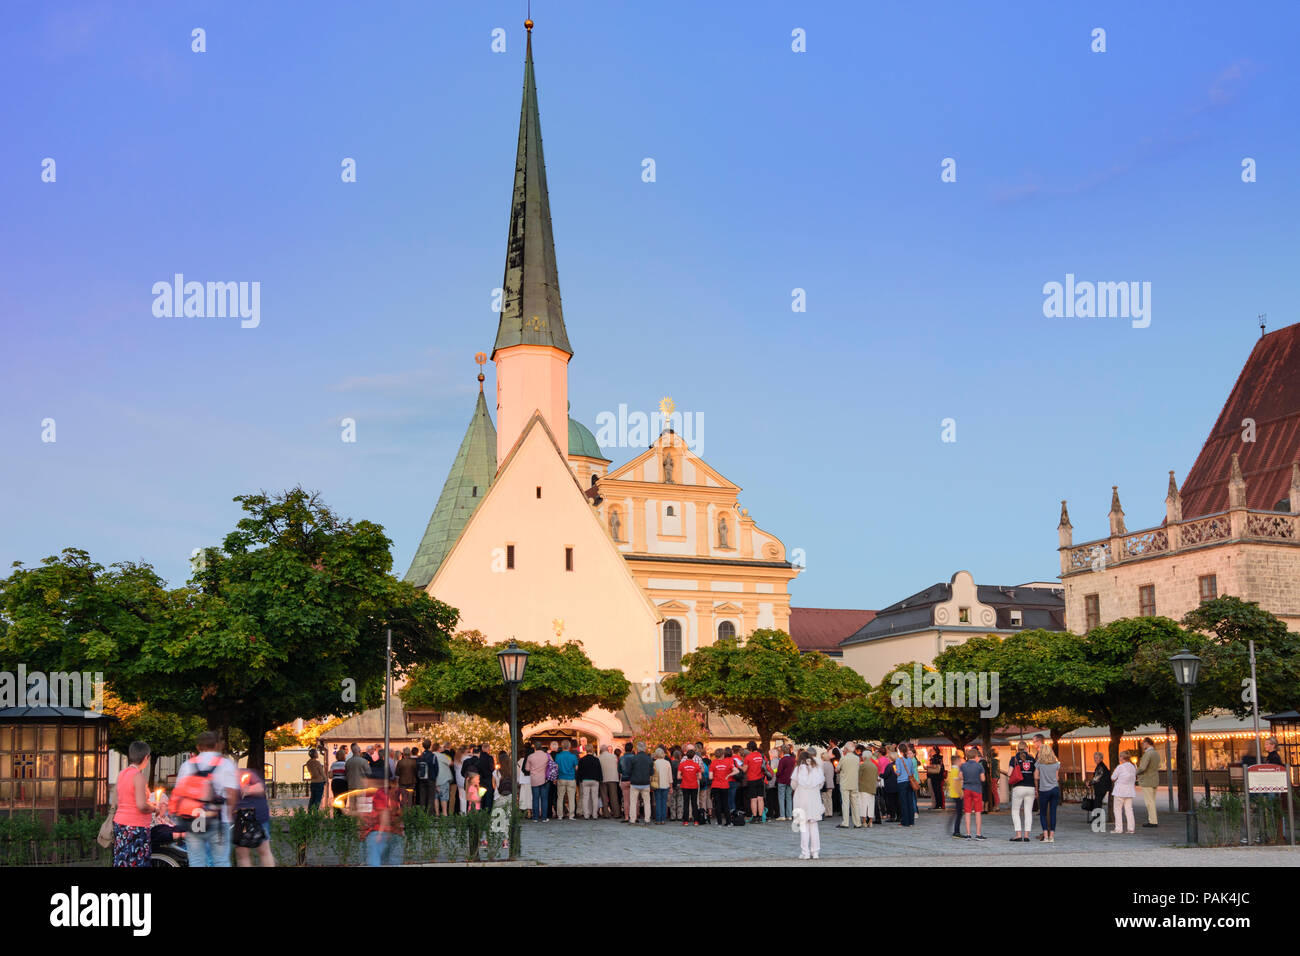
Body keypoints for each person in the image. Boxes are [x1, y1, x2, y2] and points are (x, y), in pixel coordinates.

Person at [175, 731, 240, 866]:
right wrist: (228, 814)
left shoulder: (187, 765)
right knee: (221, 861)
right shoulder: (225, 764)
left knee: (196, 861)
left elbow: (178, 794)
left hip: (193, 819)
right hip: (219, 820)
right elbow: (232, 794)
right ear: (217, 745)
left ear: (198, 747)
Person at [112, 740, 157, 867]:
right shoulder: (138, 776)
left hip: (120, 824)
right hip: (136, 827)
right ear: (146, 757)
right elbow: (141, 805)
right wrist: (154, 809)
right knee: (137, 861)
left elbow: (122, 799)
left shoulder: (122, 774)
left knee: (123, 860)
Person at [352, 769, 405, 865]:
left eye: (367, 780)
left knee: (374, 861)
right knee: (388, 861)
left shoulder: (379, 793)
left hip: (377, 832)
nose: (364, 782)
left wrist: (380, 833)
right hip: (388, 832)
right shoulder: (389, 792)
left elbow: (384, 813)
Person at [234, 767, 275, 867]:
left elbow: (260, 788)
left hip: (256, 817)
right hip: (243, 818)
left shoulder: (245, 773)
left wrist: (247, 790)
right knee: (244, 853)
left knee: (263, 850)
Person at [791, 749, 824, 859]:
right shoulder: (817, 769)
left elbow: (793, 785)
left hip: (802, 798)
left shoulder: (798, 769)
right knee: (814, 826)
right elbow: (821, 784)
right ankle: (815, 852)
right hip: (814, 798)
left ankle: (805, 852)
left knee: (804, 826)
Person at [1007, 744, 1036, 842]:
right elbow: (1035, 774)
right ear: (1027, 748)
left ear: (1017, 749)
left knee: (1015, 811)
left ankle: (1018, 834)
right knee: (1028, 812)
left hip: (1018, 787)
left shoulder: (1014, 758)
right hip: (1030, 787)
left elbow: (1009, 773)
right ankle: (1027, 835)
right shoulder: (1032, 759)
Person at [1035, 744, 1062, 843]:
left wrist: (1037, 788)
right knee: (1053, 813)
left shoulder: (1039, 763)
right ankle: (1052, 836)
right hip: (1054, 789)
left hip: (1044, 790)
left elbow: (1036, 777)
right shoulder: (1056, 764)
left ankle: (1045, 836)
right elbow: (1057, 778)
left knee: (1043, 813)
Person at [959, 747, 986, 840]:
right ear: (975, 756)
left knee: (967, 812)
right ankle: (978, 834)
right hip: (977, 789)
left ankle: (968, 834)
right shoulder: (979, 766)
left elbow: (960, 777)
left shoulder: (963, 766)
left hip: (966, 789)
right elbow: (983, 779)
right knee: (978, 812)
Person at [1110, 749, 1138, 835]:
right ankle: (1131, 828)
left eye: (1119, 757)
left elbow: (1113, 778)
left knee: (1117, 810)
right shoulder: (1133, 767)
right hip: (1129, 791)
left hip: (1120, 791)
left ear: (1122, 758)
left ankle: (1119, 828)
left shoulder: (1120, 767)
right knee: (1129, 810)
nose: (1119, 758)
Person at [628, 740, 654, 824]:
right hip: (645, 783)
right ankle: (647, 819)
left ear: (637, 749)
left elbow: (629, 771)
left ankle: (632, 819)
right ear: (645, 749)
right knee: (647, 802)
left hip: (635, 783)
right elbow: (651, 772)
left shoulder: (633, 758)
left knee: (633, 802)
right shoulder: (649, 759)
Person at [1137, 737, 1161, 828]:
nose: (1142, 745)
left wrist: (1136, 772)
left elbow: (1143, 767)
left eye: (1143, 743)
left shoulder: (1148, 754)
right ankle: (1153, 820)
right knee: (1152, 801)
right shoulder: (1156, 753)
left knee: (1149, 802)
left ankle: (1153, 821)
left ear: (1147, 743)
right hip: (1155, 779)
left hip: (1147, 780)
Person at [836, 743, 860, 828]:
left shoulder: (843, 758)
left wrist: (838, 768)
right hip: (854, 783)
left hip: (845, 783)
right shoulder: (857, 758)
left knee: (845, 803)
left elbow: (837, 769)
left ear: (846, 749)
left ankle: (845, 822)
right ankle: (857, 823)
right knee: (855, 803)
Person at [524, 744, 550, 822]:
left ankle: (535, 818)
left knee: (535, 799)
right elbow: (552, 765)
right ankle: (544, 818)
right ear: (541, 747)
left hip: (534, 779)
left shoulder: (531, 756)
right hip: (544, 779)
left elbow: (527, 769)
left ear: (535, 748)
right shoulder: (547, 755)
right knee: (544, 799)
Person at [743, 741, 767, 822]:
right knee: (760, 798)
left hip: (752, 780)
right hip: (760, 779)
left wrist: (739, 766)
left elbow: (744, 769)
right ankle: (760, 817)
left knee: (753, 799)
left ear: (750, 748)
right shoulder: (761, 756)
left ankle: (755, 816)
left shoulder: (748, 757)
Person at [709, 748, 733, 825]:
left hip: (715, 785)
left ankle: (719, 822)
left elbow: (710, 777)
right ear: (723, 755)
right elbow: (737, 770)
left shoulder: (713, 763)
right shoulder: (727, 762)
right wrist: (728, 775)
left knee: (717, 804)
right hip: (725, 786)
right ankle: (728, 822)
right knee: (726, 804)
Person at [855, 744, 877, 827]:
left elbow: (858, 777)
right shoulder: (874, 766)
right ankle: (870, 821)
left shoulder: (862, 765)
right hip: (872, 787)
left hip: (863, 788)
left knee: (863, 805)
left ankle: (864, 821)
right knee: (871, 804)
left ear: (864, 757)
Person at [679, 747, 702, 824]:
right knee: (694, 803)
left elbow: (678, 776)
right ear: (693, 756)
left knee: (686, 803)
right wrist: (694, 776)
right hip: (694, 785)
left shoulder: (682, 764)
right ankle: (696, 821)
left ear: (686, 756)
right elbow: (700, 777)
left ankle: (686, 821)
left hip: (685, 785)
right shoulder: (696, 765)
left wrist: (684, 776)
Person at [895, 745, 916, 828]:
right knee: (910, 801)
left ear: (899, 751)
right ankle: (911, 821)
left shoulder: (898, 760)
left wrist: (895, 771)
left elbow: (898, 772)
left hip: (902, 782)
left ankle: (905, 821)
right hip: (909, 782)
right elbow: (912, 772)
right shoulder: (910, 760)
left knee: (903, 802)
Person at [578, 747, 602, 819]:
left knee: (585, 798)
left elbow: (580, 771)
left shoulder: (582, 760)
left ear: (586, 751)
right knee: (594, 798)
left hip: (585, 780)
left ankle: (586, 815)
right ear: (592, 750)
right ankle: (595, 815)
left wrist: (580, 780)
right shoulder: (596, 759)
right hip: (594, 780)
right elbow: (599, 770)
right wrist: (599, 779)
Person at [598, 744, 621, 819]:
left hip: (603, 779)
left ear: (601, 750)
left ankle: (606, 813)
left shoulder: (599, 757)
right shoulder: (613, 756)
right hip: (613, 778)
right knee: (614, 797)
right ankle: (616, 813)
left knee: (604, 797)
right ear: (607, 750)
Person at [651, 747, 673, 823]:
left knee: (658, 802)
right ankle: (663, 819)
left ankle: (658, 819)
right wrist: (671, 787)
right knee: (664, 803)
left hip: (657, 784)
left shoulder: (654, 763)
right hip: (666, 784)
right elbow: (670, 776)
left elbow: (652, 775)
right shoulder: (667, 763)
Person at [775, 744, 796, 821]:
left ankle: (782, 815)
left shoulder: (782, 760)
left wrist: (776, 774)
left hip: (782, 780)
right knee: (789, 797)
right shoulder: (793, 759)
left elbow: (779, 771)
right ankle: (789, 815)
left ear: (782, 751)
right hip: (790, 780)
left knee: (781, 797)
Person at [947, 753, 964, 838]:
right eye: (959, 760)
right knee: (959, 813)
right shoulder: (956, 771)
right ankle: (956, 831)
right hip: (957, 794)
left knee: (957, 812)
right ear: (956, 761)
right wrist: (960, 793)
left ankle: (954, 829)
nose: (960, 762)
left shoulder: (952, 770)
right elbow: (956, 784)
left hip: (953, 793)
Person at [1089, 751, 1111, 817]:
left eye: (1097, 758)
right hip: (1102, 787)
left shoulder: (1101, 766)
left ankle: (1097, 818)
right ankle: (1097, 817)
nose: (1095, 759)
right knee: (1098, 803)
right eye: (1094, 758)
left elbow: (1097, 778)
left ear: (1101, 759)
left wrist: (1089, 783)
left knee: (1097, 803)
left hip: (1101, 788)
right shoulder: (1101, 766)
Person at [476, 746, 497, 813]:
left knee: (481, 796)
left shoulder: (479, 758)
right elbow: (492, 768)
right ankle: (488, 812)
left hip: (481, 780)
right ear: (487, 749)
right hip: (488, 779)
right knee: (489, 797)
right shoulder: (490, 758)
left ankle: (480, 811)